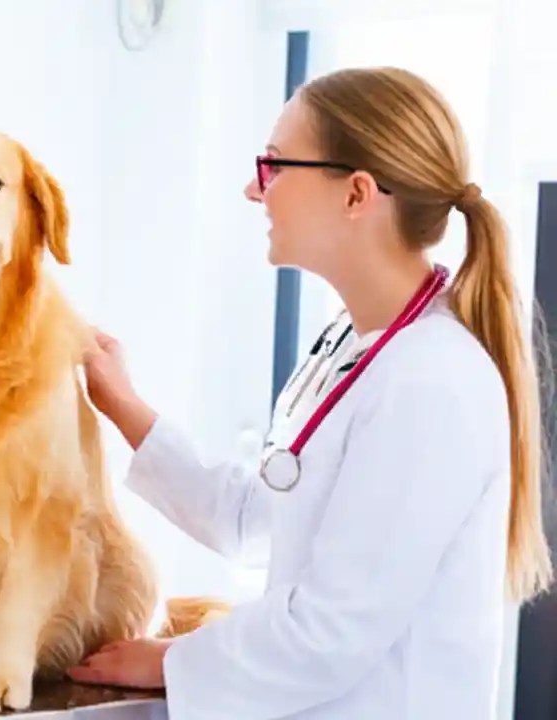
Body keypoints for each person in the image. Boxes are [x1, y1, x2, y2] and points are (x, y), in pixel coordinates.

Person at [70, 66, 553, 718]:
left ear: (356, 195)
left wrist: (172, 662)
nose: (253, 189)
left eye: (274, 167)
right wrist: (124, 407)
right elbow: (256, 522)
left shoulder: (432, 381)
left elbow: (330, 634)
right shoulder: (352, 350)